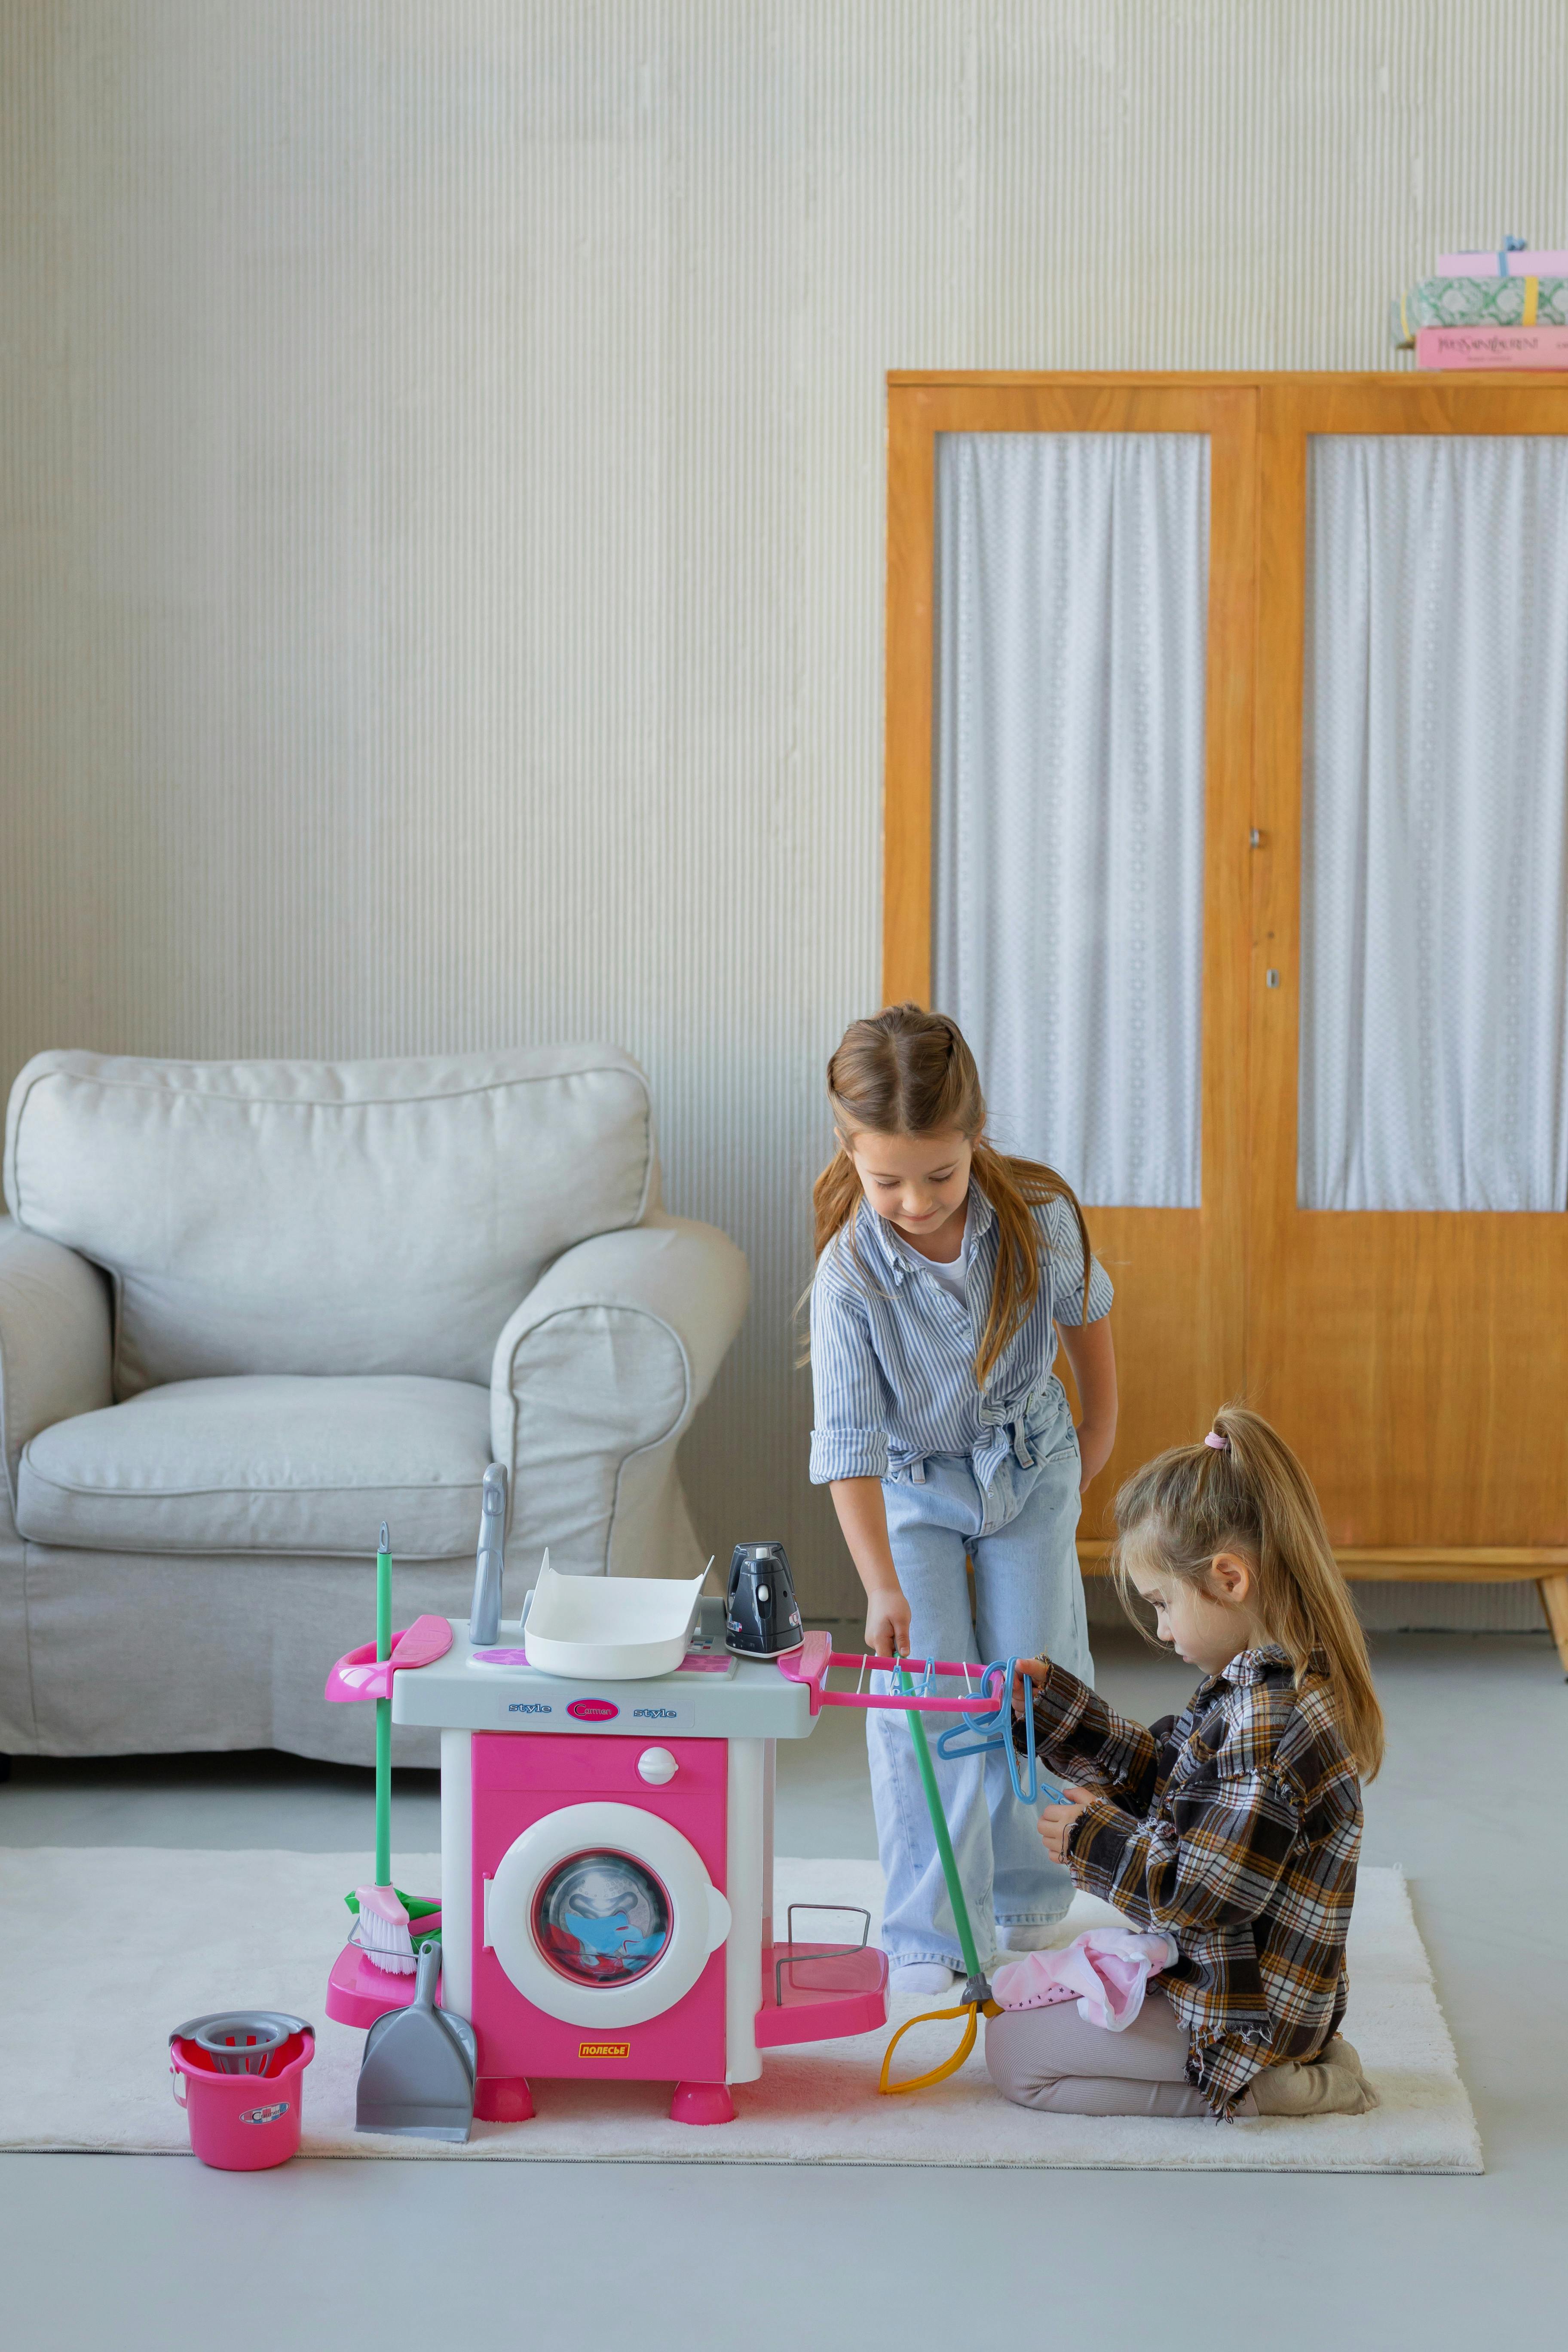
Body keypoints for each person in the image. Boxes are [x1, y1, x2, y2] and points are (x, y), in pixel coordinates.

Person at [807, 1004, 1117, 1994]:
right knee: (925, 1701)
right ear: (850, 1153)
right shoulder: (850, 1276)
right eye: (885, 1178)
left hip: (1032, 1466)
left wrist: (1097, 1439)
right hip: (910, 1491)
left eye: (939, 1175)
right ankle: (935, 1934)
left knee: (1038, 1680)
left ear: (975, 1140)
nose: (915, 1201)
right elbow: (847, 1450)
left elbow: (1089, 1323)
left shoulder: (1038, 1220)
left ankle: (1030, 1898)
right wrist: (881, 1587)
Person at [986, 1405, 1382, 2119]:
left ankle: (1268, 2089)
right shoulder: (1258, 1684)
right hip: (1239, 1984)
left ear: (1231, 1579)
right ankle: (1289, 2066)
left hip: (1242, 2015)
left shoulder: (1269, 1722)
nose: (1163, 1630)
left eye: (1164, 1604)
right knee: (1027, 2018)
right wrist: (1058, 1710)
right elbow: (1169, 1779)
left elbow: (1204, 1894)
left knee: (1016, 2059)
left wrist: (1093, 1843)